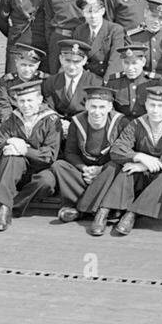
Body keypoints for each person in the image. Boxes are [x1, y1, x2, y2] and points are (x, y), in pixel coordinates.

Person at [87, 85, 162, 237]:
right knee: (125, 167)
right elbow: (117, 148)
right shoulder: (137, 124)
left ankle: (131, 214)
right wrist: (139, 157)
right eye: (152, 105)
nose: (155, 110)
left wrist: (144, 166)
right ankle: (103, 212)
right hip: (140, 175)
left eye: (161, 106)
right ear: (145, 105)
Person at [51, 86, 129, 233]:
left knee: (115, 167)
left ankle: (80, 209)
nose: (97, 112)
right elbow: (70, 152)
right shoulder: (77, 121)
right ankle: (97, 206)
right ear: (86, 105)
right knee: (59, 166)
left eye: (102, 107)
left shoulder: (120, 122)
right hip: (85, 172)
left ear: (110, 107)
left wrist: (101, 170)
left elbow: (123, 153)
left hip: (107, 171)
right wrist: (84, 168)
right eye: (93, 106)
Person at [0, 79, 63, 232]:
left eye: (30, 100)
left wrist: (24, 150)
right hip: (16, 173)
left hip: (41, 172)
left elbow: (49, 156)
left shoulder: (51, 120)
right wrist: (10, 142)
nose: (25, 105)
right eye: (21, 101)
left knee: (46, 181)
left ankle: (8, 204)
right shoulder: (12, 119)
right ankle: (3, 211)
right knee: (11, 156)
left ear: (40, 100)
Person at [71, 0, 127, 81]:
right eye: (88, 12)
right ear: (83, 13)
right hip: (86, 78)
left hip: (105, 78)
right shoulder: (79, 30)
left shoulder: (115, 30)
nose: (92, 16)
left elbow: (115, 61)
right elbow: (77, 58)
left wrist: (106, 82)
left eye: (96, 11)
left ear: (103, 11)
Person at [41, 38, 102, 121]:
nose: (71, 66)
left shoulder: (95, 83)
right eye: (67, 60)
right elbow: (48, 108)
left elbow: (97, 111)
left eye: (76, 62)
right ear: (61, 59)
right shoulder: (51, 82)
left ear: (84, 61)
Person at [0, 43, 46, 125]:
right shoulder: (6, 81)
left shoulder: (45, 81)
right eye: (23, 65)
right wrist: (12, 125)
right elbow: (3, 106)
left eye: (31, 65)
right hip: (13, 121)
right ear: (16, 62)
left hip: (39, 122)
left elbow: (47, 106)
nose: (27, 70)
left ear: (37, 65)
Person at [103, 43, 161, 120]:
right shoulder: (113, 82)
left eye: (134, 63)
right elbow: (109, 108)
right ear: (122, 63)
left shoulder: (154, 82)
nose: (130, 68)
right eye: (126, 63)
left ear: (143, 62)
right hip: (121, 125)